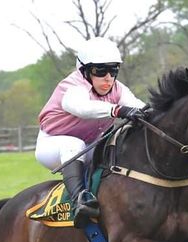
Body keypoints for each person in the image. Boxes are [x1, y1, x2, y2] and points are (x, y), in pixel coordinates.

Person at [35, 37, 147, 227]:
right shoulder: (72, 86)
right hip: (52, 145)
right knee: (74, 144)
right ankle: (80, 200)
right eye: (100, 70)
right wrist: (117, 110)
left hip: (90, 145)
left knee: (120, 144)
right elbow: (81, 108)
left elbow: (143, 109)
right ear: (84, 71)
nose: (108, 78)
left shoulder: (118, 89)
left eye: (113, 70)